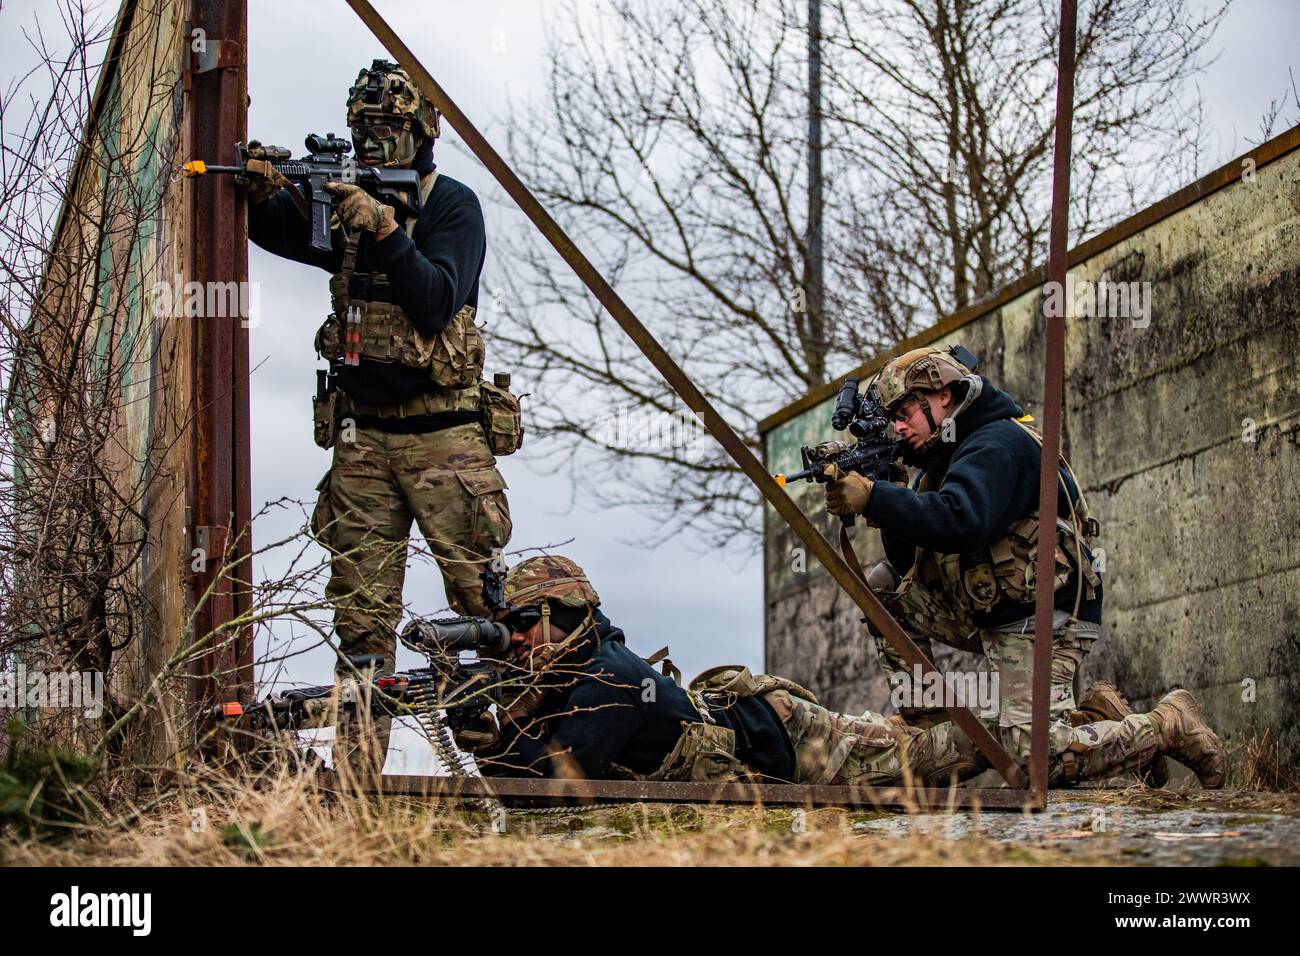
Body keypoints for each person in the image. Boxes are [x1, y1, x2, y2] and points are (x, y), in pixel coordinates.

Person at [243, 60, 517, 772]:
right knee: (361, 620)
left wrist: (387, 229)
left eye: (388, 129)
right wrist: (264, 187)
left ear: (421, 132)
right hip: (364, 440)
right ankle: (360, 791)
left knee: (486, 612)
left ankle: (525, 768)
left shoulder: (451, 206)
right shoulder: (343, 206)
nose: (372, 143)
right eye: (363, 128)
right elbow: (280, 231)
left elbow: (434, 301)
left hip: (445, 439)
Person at [821, 345, 1225, 787]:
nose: (899, 426)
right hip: (989, 609)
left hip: (1044, 615)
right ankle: (931, 720)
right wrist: (886, 492)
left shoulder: (998, 444)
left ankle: (1169, 724)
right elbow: (908, 563)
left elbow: (961, 518)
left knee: (1035, 761)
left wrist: (876, 497)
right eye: (893, 416)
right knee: (883, 587)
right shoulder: (939, 464)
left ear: (942, 395)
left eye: (906, 411)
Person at [456, 555, 986, 787]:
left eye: (524, 623)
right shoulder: (570, 673)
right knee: (906, 738)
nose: (516, 639)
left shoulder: (608, 676)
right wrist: (493, 723)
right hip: (767, 728)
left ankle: (1056, 741)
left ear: (562, 613)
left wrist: (495, 738)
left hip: (798, 745)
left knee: (937, 756)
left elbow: (557, 781)